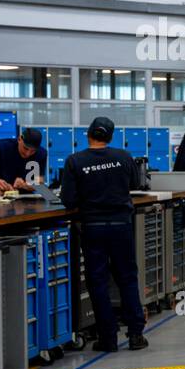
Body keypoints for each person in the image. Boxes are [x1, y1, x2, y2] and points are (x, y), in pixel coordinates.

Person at [60, 116, 148, 352]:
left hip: (93, 228)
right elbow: (135, 184)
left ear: (88, 134)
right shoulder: (123, 157)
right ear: (110, 137)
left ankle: (108, 338)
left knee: (98, 282)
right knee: (127, 278)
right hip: (121, 225)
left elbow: (68, 199)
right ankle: (136, 335)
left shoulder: (75, 161)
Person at [0, 127, 47, 192]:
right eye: (25, 148)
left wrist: (24, 185)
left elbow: (39, 183)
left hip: (22, 195)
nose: (27, 154)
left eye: (33, 151)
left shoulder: (41, 154)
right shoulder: (2, 146)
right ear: (19, 139)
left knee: (50, 197)